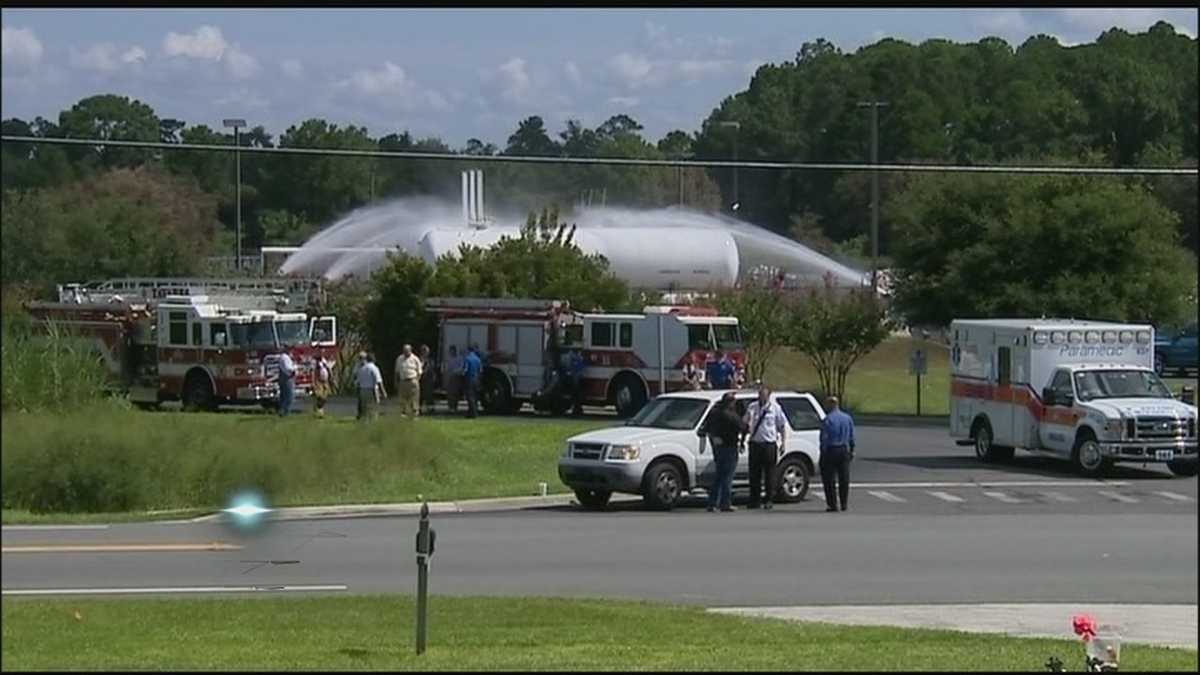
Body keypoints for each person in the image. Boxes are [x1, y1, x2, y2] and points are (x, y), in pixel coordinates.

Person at [700, 392, 748, 513]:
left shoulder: (714, 413)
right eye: (733, 401)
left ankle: (712, 503)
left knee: (719, 476)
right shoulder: (731, 416)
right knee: (727, 477)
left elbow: (705, 428)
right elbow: (744, 427)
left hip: (718, 448)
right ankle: (725, 503)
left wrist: (713, 438)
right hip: (729, 447)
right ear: (730, 402)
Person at [743, 385, 788, 510]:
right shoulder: (752, 407)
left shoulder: (775, 408)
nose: (761, 397)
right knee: (754, 474)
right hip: (755, 444)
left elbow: (782, 426)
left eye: (764, 395)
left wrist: (783, 443)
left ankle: (769, 499)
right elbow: (745, 423)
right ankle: (754, 500)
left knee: (770, 474)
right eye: (760, 395)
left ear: (768, 396)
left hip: (769, 445)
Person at [819, 396, 856, 512]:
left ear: (831, 405)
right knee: (844, 478)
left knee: (829, 479)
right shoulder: (847, 418)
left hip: (831, 449)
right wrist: (852, 449)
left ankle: (832, 504)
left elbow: (824, 438)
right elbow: (852, 436)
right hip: (844, 449)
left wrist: (823, 452)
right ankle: (844, 503)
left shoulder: (828, 419)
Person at [394, 344, 423, 417]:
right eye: (404, 351)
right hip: (403, 381)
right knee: (402, 398)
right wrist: (396, 381)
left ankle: (415, 412)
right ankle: (403, 412)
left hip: (413, 380)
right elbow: (397, 371)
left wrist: (417, 380)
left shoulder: (415, 359)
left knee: (414, 398)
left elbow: (419, 371)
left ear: (410, 350)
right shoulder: (399, 358)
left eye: (407, 351)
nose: (405, 352)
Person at [356, 352, 386, 421]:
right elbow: (378, 381)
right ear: (373, 359)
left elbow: (358, 381)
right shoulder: (374, 368)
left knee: (365, 408)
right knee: (373, 407)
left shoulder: (362, 368)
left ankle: (365, 422)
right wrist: (383, 391)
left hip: (362, 390)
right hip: (372, 389)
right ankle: (373, 421)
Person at [275, 347, 297, 417]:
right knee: (289, 396)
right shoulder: (285, 357)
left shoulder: (284, 357)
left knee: (284, 395)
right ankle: (285, 412)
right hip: (287, 378)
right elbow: (288, 368)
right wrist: (294, 368)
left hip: (284, 377)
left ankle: (282, 411)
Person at [462, 345, 483, 418]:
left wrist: (461, 374)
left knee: (470, 397)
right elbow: (480, 370)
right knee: (475, 397)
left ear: (468, 350)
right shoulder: (478, 359)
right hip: (476, 379)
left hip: (469, 379)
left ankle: (473, 414)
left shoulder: (467, 359)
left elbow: (465, 370)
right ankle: (471, 413)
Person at [445, 345, 465, 414]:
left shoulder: (459, 358)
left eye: (452, 350)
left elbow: (461, 367)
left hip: (456, 377)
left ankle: (454, 407)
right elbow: (447, 368)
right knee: (450, 393)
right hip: (450, 377)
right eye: (450, 351)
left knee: (455, 393)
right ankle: (450, 407)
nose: (451, 352)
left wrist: (454, 371)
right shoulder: (449, 359)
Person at [312, 353, 333, 418]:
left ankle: (317, 407)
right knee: (320, 396)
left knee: (325, 397)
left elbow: (329, 370)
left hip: (325, 381)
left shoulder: (324, 363)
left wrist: (331, 377)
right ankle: (320, 411)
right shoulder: (316, 365)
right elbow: (314, 373)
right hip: (319, 381)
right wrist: (314, 382)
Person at [418, 344, 436, 415]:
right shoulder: (419, 360)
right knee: (421, 396)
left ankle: (431, 409)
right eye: (426, 351)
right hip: (421, 379)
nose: (427, 353)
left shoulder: (431, 360)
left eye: (428, 351)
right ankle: (419, 410)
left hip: (429, 380)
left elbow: (433, 369)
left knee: (429, 395)